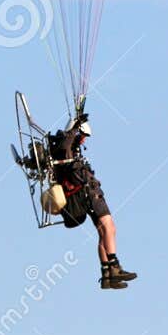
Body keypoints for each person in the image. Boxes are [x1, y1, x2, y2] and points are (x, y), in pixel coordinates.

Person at [51, 107, 137, 290]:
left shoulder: (69, 152)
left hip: (86, 195)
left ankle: (107, 275)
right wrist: (75, 126)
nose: (83, 140)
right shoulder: (64, 150)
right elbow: (65, 143)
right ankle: (114, 266)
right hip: (89, 194)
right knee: (109, 226)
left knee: (103, 231)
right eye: (82, 136)